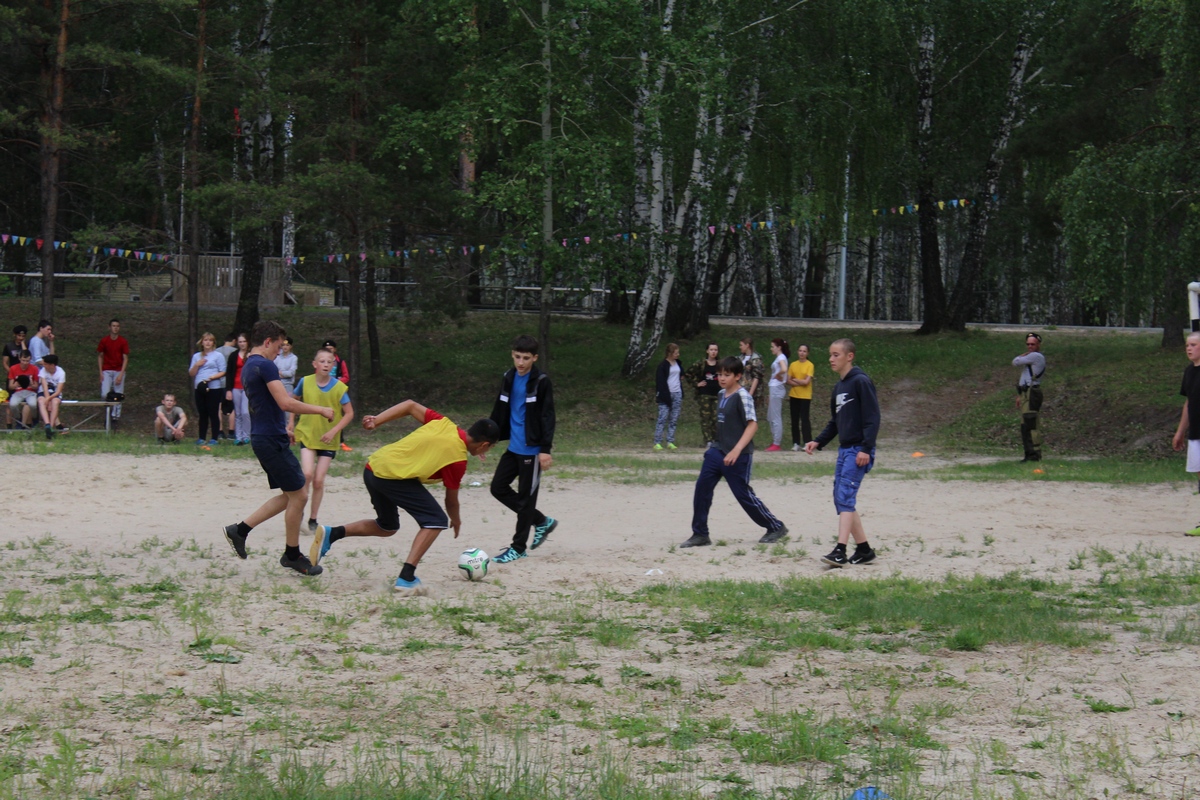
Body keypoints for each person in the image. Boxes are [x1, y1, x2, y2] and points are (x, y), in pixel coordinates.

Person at [309, 400, 499, 595]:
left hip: (373, 468)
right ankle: (407, 577)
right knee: (436, 520)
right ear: (484, 444)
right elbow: (451, 500)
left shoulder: (443, 423)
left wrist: (377, 421)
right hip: (391, 477)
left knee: (387, 526)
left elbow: (409, 405)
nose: (487, 451)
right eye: (489, 448)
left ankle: (333, 533)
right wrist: (456, 520)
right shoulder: (458, 459)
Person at [222, 320, 335, 576]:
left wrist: (283, 428)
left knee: (291, 495)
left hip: (268, 436)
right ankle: (292, 554)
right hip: (269, 440)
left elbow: (264, 404)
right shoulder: (264, 364)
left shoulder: (251, 365)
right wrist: (320, 409)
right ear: (268, 342)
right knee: (300, 495)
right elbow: (285, 403)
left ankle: (239, 531)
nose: (280, 351)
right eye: (279, 345)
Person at [679, 356, 788, 548]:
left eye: (726, 375)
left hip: (738, 455)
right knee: (702, 489)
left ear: (737, 376)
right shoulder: (722, 394)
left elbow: (752, 425)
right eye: (720, 374)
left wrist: (737, 450)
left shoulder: (743, 396)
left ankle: (775, 526)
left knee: (743, 494)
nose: (722, 378)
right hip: (717, 451)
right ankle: (700, 533)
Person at [805, 338, 880, 568]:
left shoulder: (861, 382)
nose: (831, 359)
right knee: (841, 499)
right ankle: (865, 550)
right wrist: (818, 441)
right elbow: (836, 422)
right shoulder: (839, 387)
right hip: (845, 449)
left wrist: (866, 448)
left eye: (836, 354)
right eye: (830, 354)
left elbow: (872, 418)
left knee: (845, 498)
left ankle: (840, 550)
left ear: (850, 356)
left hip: (858, 449)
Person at [489, 334, 558, 564]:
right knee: (498, 487)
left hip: (532, 450)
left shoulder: (541, 381)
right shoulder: (508, 377)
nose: (520, 362)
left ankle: (518, 547)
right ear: (512, 354)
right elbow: (499, 410)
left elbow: (548, 416)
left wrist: (545, 449)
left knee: (526, 499)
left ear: (534, 358)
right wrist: (487, 440)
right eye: (517, 357)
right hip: (513, 448)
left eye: (526, 358)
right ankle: (540, 520)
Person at [288, 348, 355, 533]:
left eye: (329, 362)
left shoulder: (339, 388)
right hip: (308, 434)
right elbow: (293, 402)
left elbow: (349, 414)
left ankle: (313, 518)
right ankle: (298, 511)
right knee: (307, 474)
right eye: (322, 361)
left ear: (333, 365)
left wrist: (334, 432)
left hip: (328, 439)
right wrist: (291, 423)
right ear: (315, 364)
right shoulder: (305, 381)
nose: (326, 364)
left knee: (318, 480)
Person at [1172, 332, 1200, 535]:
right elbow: (1189, 402)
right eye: (1187, 345)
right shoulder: (1189, 372)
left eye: (1193, 345)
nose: (1189, 349)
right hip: (1196, 432)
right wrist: (1180, 432)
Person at [188, 332, 227, 446]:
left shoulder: (218, 356)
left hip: (214, 387)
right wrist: (197, 365)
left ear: (213, 343)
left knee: (213, 412)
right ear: (202, 342)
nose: (208, 342)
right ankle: (201, 437)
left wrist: (212, 377)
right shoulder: (197, 356)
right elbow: (191, 373)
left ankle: (214, 437)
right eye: (206, 340)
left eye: (210, 340)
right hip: (199, 387)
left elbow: (223, 371)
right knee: (202, 413)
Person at [1013, 332, 1046, 462]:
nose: (1030, 347)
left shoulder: (1036, 356)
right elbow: (1025, 377)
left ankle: (1034, 455)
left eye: (1033, 344)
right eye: (1028, 344)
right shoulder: (1031, 358)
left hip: (1032, 393)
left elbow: (1015, 362)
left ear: (1038, 344)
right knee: (1025, 425)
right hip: (1026, 392)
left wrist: (1023, 355)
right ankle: (1028, 453)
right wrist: (1020, 396)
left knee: (1031, 423)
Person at [684, 342, 721, 447]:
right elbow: (688, 374)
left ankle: (715, 439)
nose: (713, 352)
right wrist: (697, 384)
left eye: (715, 350)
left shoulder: (720, 364)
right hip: (704, 394)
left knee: (716, 418)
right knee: (706, 418)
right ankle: (708, 440)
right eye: (711, 350)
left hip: (717, 394)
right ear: (707, 351)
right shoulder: (701, 364)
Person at [97, 318, 129, 427]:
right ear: (109, 327)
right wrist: (101, 372)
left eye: (117, 326)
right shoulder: (104, 341)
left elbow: (125, 358)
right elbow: (100, 356)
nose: (115, 328)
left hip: (118, 370)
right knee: (104, 393)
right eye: (113, 326)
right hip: (107, 370)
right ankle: (107, 414)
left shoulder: (122, 341)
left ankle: (115, 417)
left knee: (118, 394)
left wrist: (121, 374)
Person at [653, 343, 683, 451]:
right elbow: (660, 382)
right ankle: (657, 442)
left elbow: (680, 375)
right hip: (666, 393)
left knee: (674, 418)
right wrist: (664, 395)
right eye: (676, 353)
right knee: (663, 417)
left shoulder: (678, 363)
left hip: (677, 392)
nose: (678, 355)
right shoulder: (663, 366)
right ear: (669, 353)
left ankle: (670, 441)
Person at [787, 344, 815, 451]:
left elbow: (807, 382)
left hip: (805, 396)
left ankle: (807, 442)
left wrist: (796, 380)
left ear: (807, 353)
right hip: (794, 395)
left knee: (804, 419)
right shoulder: (793, 365)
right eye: (800, 351)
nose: (802, 353)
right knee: (794, 420)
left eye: (804, 351)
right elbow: (788, 380)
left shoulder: (810, 365)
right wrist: (800, 381)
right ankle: (796, 442)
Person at [764, 338, 790, 451]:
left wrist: (778, 375)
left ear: (779, 347)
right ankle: (775, 440)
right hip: (774, 388)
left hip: (776, 388)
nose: (771, 349)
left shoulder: (781, 357)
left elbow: (784, 369)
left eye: (773, 346)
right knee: (771, 415)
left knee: (775, 416)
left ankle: (776, 442)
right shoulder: (780, 358)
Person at [226, 333, 251, 445]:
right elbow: (229, 373)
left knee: (245, 412)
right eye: (240, 342)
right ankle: (238, 436)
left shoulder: (251, 354)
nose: (242, 344)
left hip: (247, 387)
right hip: (235, 387)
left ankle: (247, 436)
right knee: (238, 412)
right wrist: (228, 389)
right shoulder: (233, 355)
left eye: (244, 341)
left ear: (247, 342)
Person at [7, 349, 40, 429]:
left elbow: (36, 386)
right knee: (12, 404)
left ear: (30, 359)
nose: (25, 363)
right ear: (19, 358)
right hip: (18, 391)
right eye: (23, 360)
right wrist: (16, 384)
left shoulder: (34, 368)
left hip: (30, 391)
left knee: (32, 404)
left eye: (27, 361)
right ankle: (19, 418)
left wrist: (31, 384)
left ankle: (34, 417)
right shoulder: (13, 368)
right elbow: (10, 386)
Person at [37, 353, 66, 440]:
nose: (43, 365)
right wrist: (47, 400)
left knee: (55, 402)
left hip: (55, 393)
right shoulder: (43, 371)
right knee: (41, 401)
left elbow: (58, 391)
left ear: (52, 365)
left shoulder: (61, 373)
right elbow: (45, 387)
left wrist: (50, 399)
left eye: (45, 364)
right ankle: (47, 424)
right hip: (44, 392)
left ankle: (51, 427)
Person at [216, 334, 238, 440]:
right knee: (233, 408)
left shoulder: (216, 352)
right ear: (234, 341)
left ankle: (219, 431)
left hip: (218, 382)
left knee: (218, 407)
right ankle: (231, 431)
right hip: (231, 383)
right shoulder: (235, 352)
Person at [738, 337, 765, 408]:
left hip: (751, 390)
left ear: (747, 345)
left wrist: (750, 394)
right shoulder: (740, 358)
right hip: (741, 388)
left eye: (741, 345)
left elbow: (757, 377)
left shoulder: (756, 359)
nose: (739, 347)